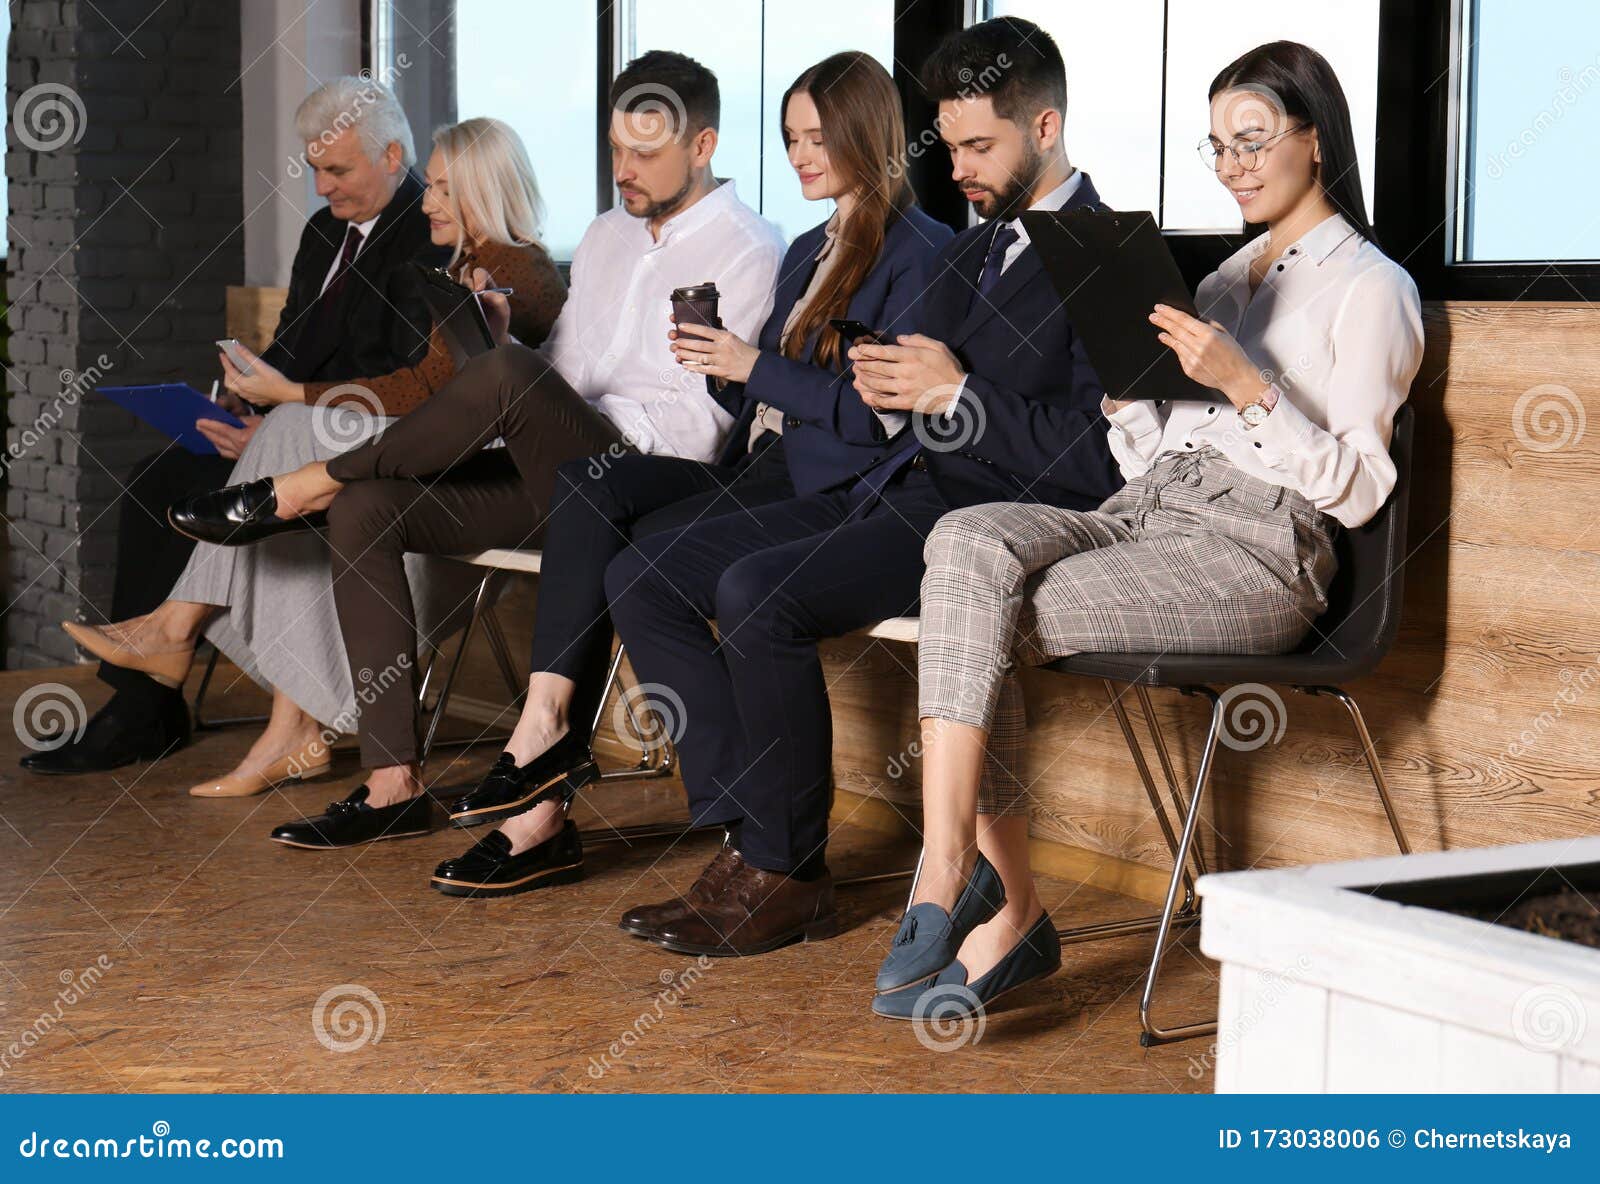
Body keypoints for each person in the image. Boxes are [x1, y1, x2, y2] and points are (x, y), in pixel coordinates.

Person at [870, 40, 1425, 1021]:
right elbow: (1136, 461)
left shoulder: (1371, 287)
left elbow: (1360, 493)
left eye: (1251, 140)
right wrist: (1131, 392)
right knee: (963, 544)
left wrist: (1244, 383)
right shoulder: (1214, 286)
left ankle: (985, 896)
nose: (1234, 166)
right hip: (1147, 515)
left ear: (1317, 141)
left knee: (975, 612)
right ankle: (956, 861)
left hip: (1259, 553)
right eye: (1216, 147)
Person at [173, 51, 787, 851]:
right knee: (366, 507)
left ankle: (299, 486)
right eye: (613, 151)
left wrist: (527, 388)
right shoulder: (604, 237)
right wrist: (506, 361)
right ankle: (392, 783)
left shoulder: (752, 247)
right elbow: (565, 365)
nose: (623, 171)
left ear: (702, 147)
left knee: (499, 378)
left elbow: (698, 427)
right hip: (556, 471)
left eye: (645, 154)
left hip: (647, 476)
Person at [604, 17, 1121, 957]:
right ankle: (752, 843)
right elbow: (909, 403)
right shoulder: (974, 249)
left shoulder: (1108, 256)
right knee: (653, 569)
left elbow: (1103, 464)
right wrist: (897, 390)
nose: (955, 167)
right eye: (951, 143)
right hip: (893, 485)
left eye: (977, 147)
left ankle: (785, 873)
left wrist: (952, 395)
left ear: (1045, 130)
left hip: (974, 515)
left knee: (755, 593)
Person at [428, 51, 954, 898]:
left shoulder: (923, 252)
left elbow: (874, 417)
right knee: (592, 491)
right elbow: (754, 392)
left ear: (869, 136)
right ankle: (553, 729)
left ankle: (694, 816)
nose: (802, 156)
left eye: (819, 137)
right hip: (759, 466)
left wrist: (748, 368)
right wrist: (714, 364)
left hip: (831, 485)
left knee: (632, 560)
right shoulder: (810, 250)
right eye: (791, 139)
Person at [65, 117, 567, 799]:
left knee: (294, 436)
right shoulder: (466, 265)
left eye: (443, 189)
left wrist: (291, 393)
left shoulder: (517, 273)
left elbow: (428, 390)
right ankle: (275, 718)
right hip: (428, 463)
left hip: (472, 489)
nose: (425, 202)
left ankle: (178, 626)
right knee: (292, 485)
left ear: (482, 190)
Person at [25, 76, 447, 776]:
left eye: (337, 170)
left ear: (393, 155)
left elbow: (397, 379)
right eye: (314, 168)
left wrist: (283, 417)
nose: (321, 187)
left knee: (216, 481)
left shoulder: (425, 236)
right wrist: (246, 403)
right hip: (286, 430)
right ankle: (149, 706)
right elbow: (294, 342)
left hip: (349, 448)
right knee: (155, 481)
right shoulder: (323, 235)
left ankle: (149, 696)